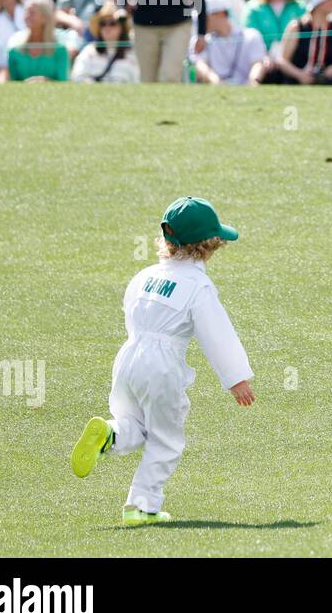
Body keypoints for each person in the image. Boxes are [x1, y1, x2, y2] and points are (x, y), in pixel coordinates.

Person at [69, 196, 255, 524]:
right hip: (161, 365)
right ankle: (142, 505)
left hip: (127, 359)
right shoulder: (198, 285)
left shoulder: (146, 275)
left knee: (136, 426)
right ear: (210, 245)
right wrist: (235, 377)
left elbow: (131, 310)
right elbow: (217, 334)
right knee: (165, 439)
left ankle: (110, 433)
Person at [189, 0, 264, 85]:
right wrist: (215, 82)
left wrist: (252, 83)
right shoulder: (202, 41)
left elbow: (258, 64)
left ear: (221, 13)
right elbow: (200, 64)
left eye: (204, 17)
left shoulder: (252, 36)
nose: (201, 22)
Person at [71, 0, 140, 83]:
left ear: (121, 28)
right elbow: (77, 77)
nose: (107, 27)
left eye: (112, 23)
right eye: (103, 24)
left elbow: (137, 83)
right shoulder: (89, 51)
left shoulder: (131, 54)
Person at [7, 0, 69, 82]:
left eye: (32, 13)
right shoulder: (14, 51)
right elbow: (11, 84)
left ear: (44, 18)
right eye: (26, 12)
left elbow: (63, 83)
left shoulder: (60, 50)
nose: (27, 16)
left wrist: (46, 81)